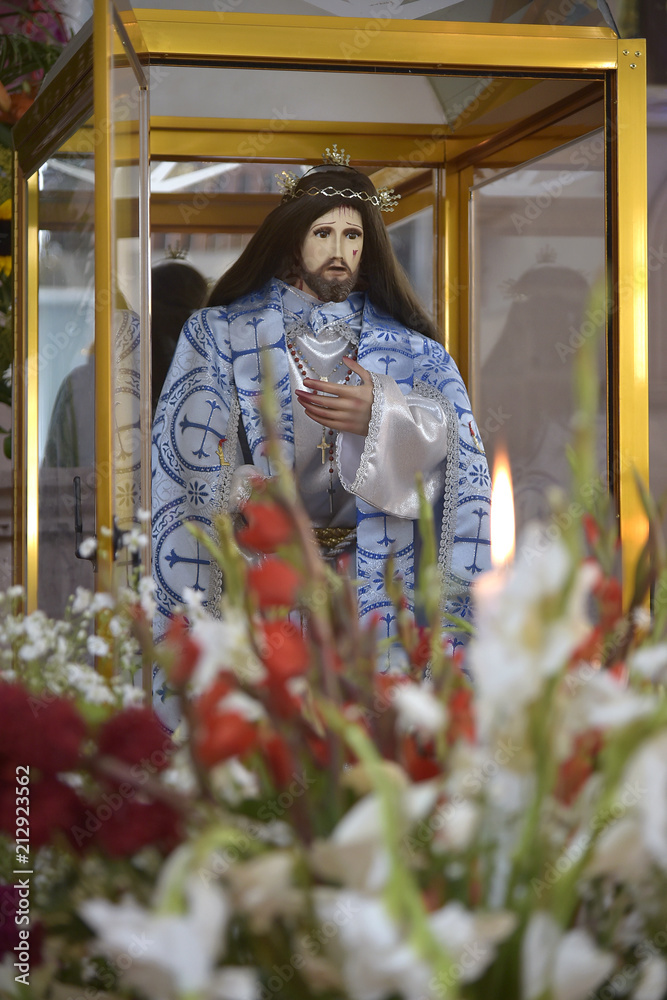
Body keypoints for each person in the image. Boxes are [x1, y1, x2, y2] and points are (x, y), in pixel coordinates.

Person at [152, 147, 491, 679]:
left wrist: (385, 415)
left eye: (352, 236)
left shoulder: (415, 351)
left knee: (366, 729)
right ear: (293, 241)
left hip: (379, 580)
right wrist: (242, 487)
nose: (340, 250)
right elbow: (184, 459)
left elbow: (465, 459)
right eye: (323, 233)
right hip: (267, 575)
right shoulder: (219, 334)